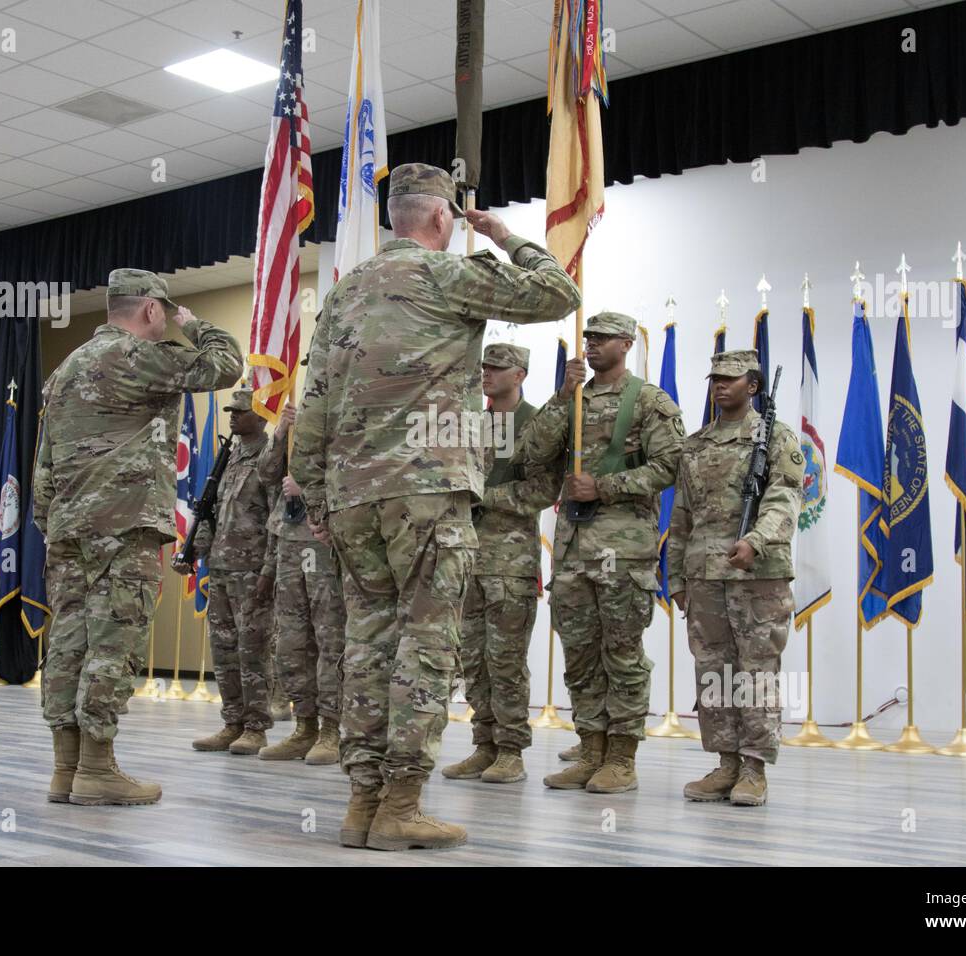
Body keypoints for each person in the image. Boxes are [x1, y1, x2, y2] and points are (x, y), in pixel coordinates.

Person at [291, 162, 580, 851]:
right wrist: (507, 236)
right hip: (425, 491)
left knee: (367, 642)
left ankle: (361, 805)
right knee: (428, 643)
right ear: (442, 220)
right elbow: (559, 291)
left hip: (354, 494)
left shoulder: (345, 292)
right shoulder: (446, 274)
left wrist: (317, 496)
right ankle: (400, 807)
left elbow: (314, 402)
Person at [36, 268, 241, 806]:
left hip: (67, 531)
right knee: (113, 645)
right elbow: (226, 365)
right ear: (150, 309)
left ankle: (66, 770)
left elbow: (43, 465)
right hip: (123, 527)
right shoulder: (137, 357)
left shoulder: (64, 369)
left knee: (68, 645)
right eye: (165, 313)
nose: (166, 322)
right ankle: (98, 770)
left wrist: (52, 525)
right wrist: (197, 328)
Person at [520, 311, 684, 793]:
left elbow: (670, 465)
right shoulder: (573, 398)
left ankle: (622, 758)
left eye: (601, 338)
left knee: (622, 653)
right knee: (580, 654)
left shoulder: (649, 401)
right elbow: (533, 451)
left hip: (624, 547)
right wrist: (560, 394)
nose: (590, 345)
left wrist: (605, 487)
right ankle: (590, 749)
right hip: (572, 547)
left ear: (626, 343)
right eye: (587, 337)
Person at [671, 350, 803, 807]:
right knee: (713, 672)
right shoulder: (695, 445)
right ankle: (725, 762)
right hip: (704, 576)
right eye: (716, 379)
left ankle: (754, 768)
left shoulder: (777, 438)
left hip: (756, 578)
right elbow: (682, 515)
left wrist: (757, 540)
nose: (720, 386)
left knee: (756, 673)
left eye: (732, 379)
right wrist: (675, 577)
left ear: (753, 385)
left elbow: (784, 500)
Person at [442, 343, 560, 785]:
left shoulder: (535, 424)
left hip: (509, 560)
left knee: (505, 660)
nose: (487, 374)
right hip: (465, 556)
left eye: (497, 368)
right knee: (472, 657)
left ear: (521, 374)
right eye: (484, 367)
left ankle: (511, 750)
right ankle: (484, 744)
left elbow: (545, 488)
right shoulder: (469, 422)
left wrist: (485, 497)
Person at [176, 386, 277, 757]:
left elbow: (278, 518)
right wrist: (193, 550)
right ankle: (232, 721)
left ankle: (256, 727)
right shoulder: (228, 458)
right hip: (219, 567)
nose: (232, 416)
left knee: (253, 651)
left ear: (261, 415)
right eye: (230, 411)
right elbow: (211, 513)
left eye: (240, 411)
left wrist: (270, 570)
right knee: (224, 650)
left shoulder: (270, 458)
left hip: (253, 571)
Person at [256, 403, 347, 764]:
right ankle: (303, 726)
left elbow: (358, 477)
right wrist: (280, 433)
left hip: (325, 539)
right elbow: (265, 475)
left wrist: (307, 488)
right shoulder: (296, 425)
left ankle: (331, 730)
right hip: (289, 539)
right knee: (291, 641)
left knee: (329, 638)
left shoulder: (344, 416)